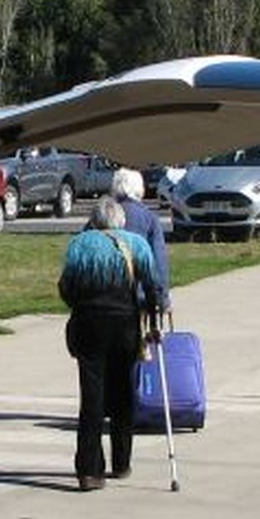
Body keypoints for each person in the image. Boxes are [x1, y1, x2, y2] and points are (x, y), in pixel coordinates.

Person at [59, 196, 161, 491]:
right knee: (122, 393)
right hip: (124, 326)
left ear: (94, 220)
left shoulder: (79, 244)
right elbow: (151, 288)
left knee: (91, 399)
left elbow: (67, 287)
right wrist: (152, 325)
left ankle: (89, 471)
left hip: (89, 325)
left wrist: (78, 305)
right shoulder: (136, 244)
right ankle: (122, 461)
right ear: (120, 220)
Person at [111, 167, 171, 312]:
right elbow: (158, 261)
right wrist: (162, 298)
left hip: (104, 294)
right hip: (138, 296)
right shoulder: (149, 218)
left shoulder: (102, 214)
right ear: (139, 188)